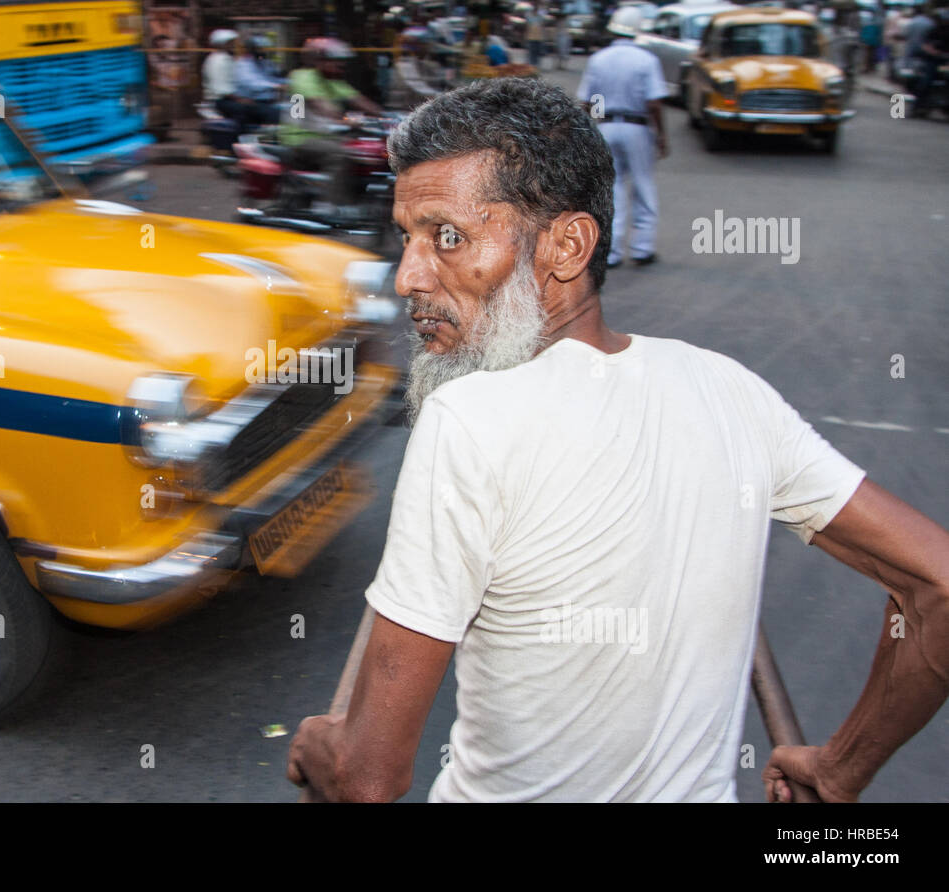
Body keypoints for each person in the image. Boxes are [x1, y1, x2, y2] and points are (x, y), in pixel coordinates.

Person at [285, 75, 949, 803]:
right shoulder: (729, 388)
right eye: (405, 238)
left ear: (567, 246)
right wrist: (842, 767)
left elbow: (367, 779)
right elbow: (938, 586)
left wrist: (326, 747)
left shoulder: (468, 421)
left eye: (447, 237)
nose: (408, 275)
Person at [575, 5, 667, 267]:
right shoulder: (646, 60)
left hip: (607, 125)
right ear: (639, 30)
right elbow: (654, 104)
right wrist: (661, 136)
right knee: (643, 186)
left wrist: (595, 126)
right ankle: (642, 248)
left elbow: (589, 101)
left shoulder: (599, 59)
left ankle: (612, 252)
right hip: (637, 126)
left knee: (611, 189)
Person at [279, 37, 384, 218]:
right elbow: (318, 104)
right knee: (340, 154)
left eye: (341, 62)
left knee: (366, 149)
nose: (340, 66)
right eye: (336, 61)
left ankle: (359, 198)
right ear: (320, 61)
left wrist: (387, 116)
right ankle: (328, 205)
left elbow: (358, 100)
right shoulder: (302, 77)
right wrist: (343, 119)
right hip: (299, 138)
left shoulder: (333, 81)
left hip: (325, 136)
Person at [388, 27, 445, 111]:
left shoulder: (428, 65)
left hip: (416, 111)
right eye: (425, 43)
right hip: (403, 111)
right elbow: (423, 90)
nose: (429, 47)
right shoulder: (405, 64)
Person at [232, 35, 284, 126]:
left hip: (268, 102)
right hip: (252, 103)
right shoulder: (243, 64)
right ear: (252, 49)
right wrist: (275, 86)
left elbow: (273, 78)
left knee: (294, 110)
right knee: (277, 114)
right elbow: (252, 84)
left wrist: (292, 82)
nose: (264, 52)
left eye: (265, 49)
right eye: (260, 49)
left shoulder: (264, 63)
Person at [201, 28, 240, 120]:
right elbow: (221, 88)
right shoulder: (217, 60)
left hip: (227, 98)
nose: (234, 45)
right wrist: (240, 98)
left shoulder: (226, 58)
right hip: (220, 101)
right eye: (230, 42)